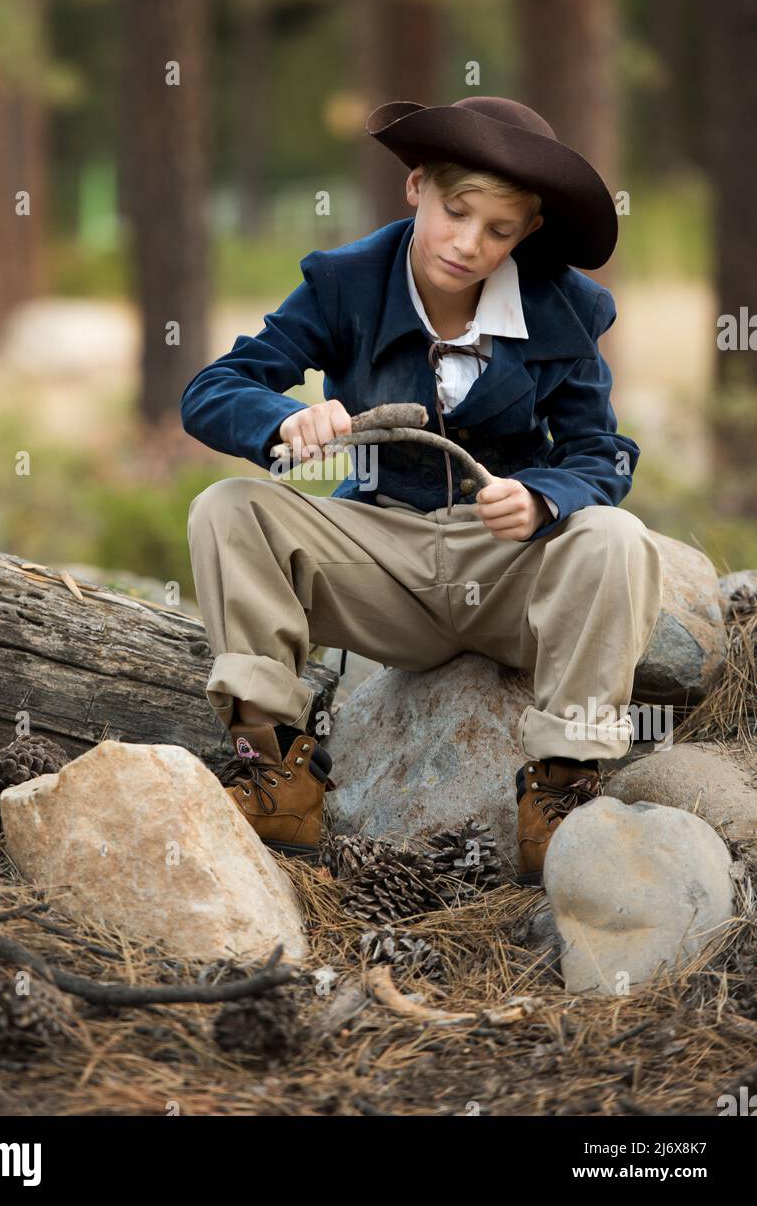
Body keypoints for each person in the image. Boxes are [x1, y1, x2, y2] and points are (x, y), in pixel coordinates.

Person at [179, 95, 664, 885]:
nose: (469, 244)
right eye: (455, 212)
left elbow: (600, 454)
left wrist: (542, 495)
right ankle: (274, 773)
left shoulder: (567, 309)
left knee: (615, 537)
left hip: (504, 568)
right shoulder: (344, 284)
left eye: (499, 230)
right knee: (226, 508)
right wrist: (282, 422)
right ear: (416, 188)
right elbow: (212, 388)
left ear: (529, 231)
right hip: (383, 569)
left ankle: (563, 788)